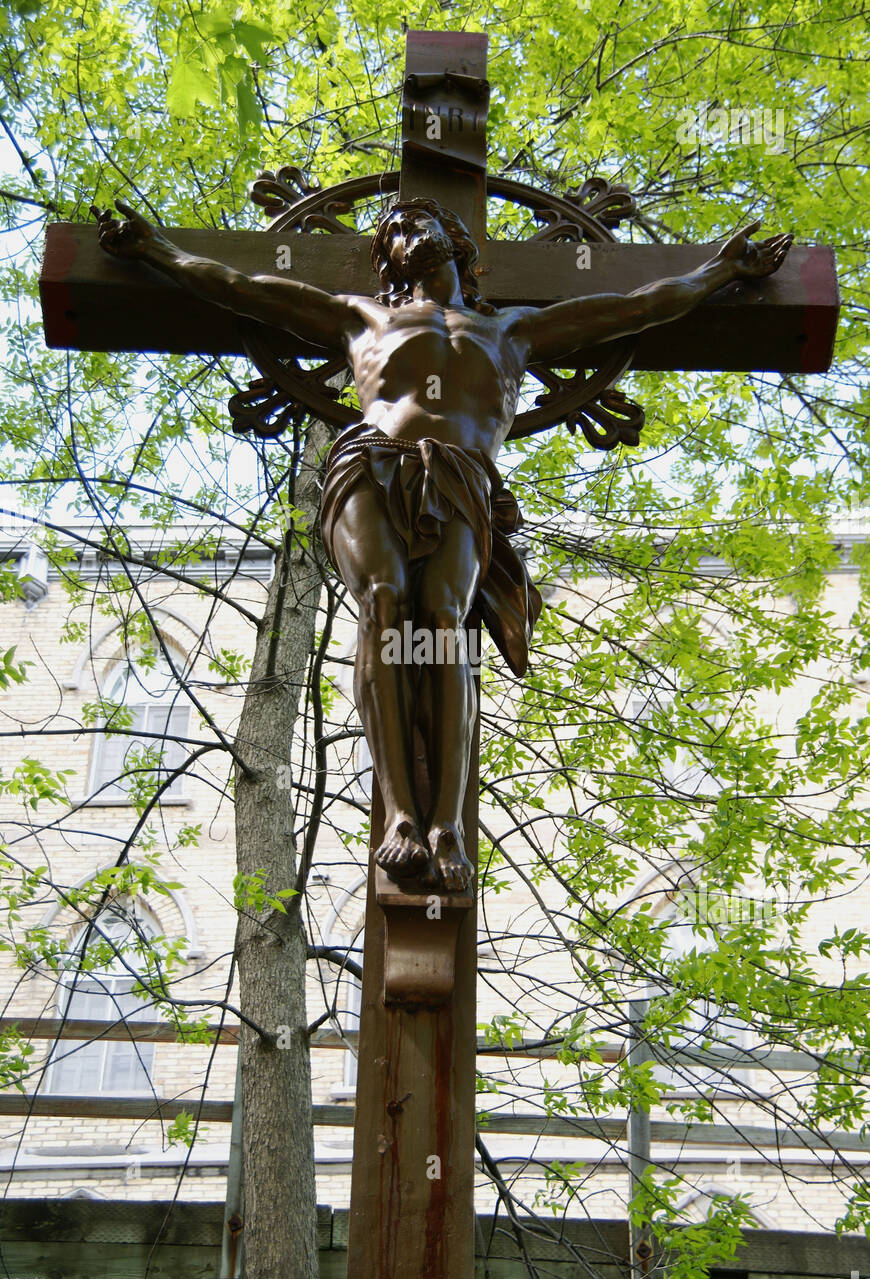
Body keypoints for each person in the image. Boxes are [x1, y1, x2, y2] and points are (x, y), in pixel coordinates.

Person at [95, 196, 792, 891]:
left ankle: (446, 823)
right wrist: (154, 250)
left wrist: (719, 272)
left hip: (459, 476)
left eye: (415, 220)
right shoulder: (362, 319)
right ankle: (400, 812)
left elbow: (635, 307)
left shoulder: (511, 331)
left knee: (444, 619)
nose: (402, 230)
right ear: (386, 261)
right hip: (372, 461)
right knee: (385, 599)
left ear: (455, 239)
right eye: (390, 230)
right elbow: (242, 289)